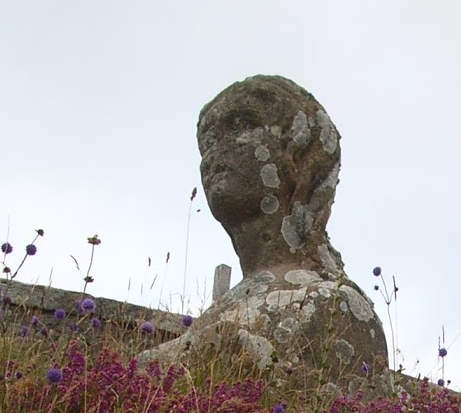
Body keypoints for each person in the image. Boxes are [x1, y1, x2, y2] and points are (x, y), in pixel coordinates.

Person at [142, 75, 389, 388]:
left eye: (241, 125)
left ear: (299, 152)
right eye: (207, 143)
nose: (215, 153)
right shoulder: (226, 308)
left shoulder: (332, 308)